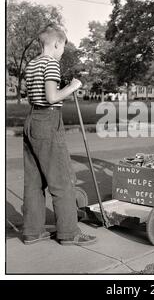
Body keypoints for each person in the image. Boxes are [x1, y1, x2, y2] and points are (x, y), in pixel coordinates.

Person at [22, 24, 97, 246]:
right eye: (63, 46)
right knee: (62, 180)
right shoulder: (52, 63)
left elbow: (38, 94)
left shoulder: (32, 64)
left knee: (34, 181)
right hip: (48, 119)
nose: (62, 50)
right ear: (56, 43)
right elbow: (52, 97)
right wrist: (73, 87)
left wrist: (61, 88)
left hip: (32, 119)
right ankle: (68, 233)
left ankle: (32, 231)